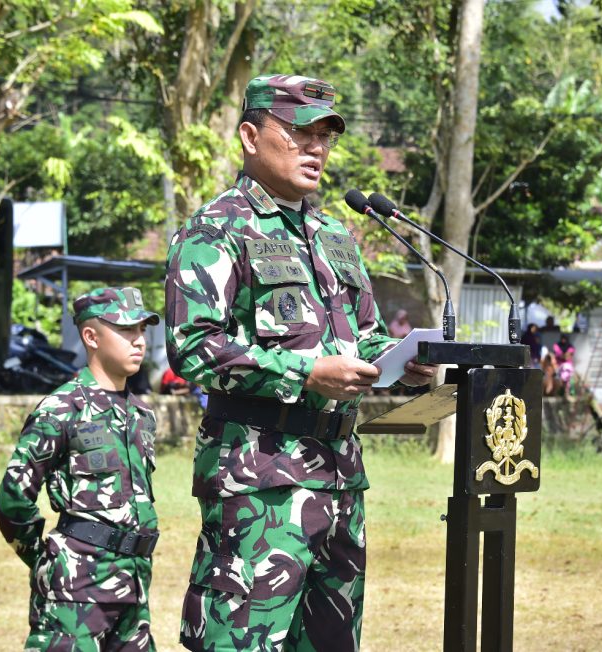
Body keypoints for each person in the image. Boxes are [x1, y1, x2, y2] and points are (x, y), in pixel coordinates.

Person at [164, 74, 439, 652]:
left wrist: (398, 361)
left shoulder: (335, 234)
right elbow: (191, 345)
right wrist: (303, 373)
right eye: (298, 132)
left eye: (325, 136)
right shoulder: (217, 229)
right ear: (249, 135)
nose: (316, 148)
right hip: (259, 481)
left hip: (339, 477)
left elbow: (361, 338)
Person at [0, 287, 162, 651]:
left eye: (142, 330)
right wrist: (44, 559)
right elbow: (12, 500)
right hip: (76, 589)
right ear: (91, 337)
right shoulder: (61, 408)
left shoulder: (141, 415)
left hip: (133, 585)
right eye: (126, 330)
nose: (139, 341)